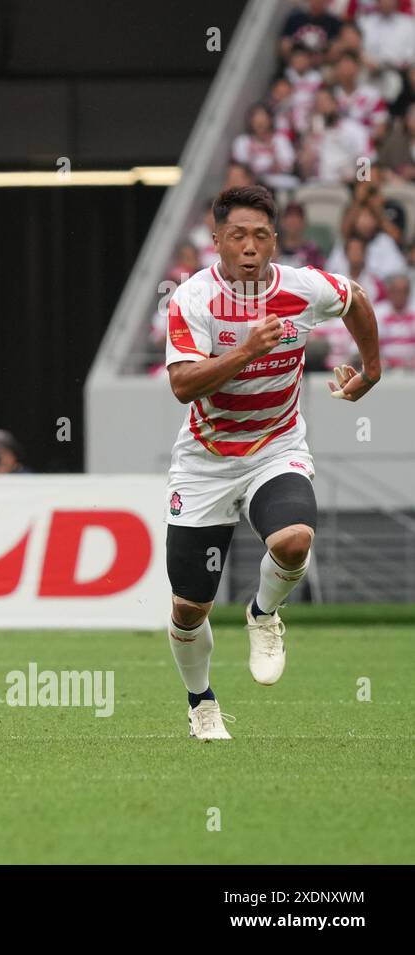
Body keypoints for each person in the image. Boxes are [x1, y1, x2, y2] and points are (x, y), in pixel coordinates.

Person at [163, 185, 382, 740]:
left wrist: (371, 368)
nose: (250, 246)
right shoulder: (191, 299)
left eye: (261, 235)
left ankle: (263, 613)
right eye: (237, 235)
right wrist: (244, 352)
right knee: (190, 608)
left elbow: (355, 298)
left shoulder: (302, 288)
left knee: (293, 540)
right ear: (216, 241)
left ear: (275, 241)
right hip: (205, 462)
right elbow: (183, 385)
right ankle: (201, 702)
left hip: (276, 447)